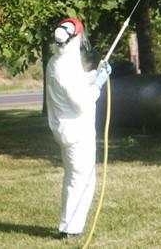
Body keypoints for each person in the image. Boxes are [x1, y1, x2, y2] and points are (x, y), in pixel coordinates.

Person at [46, 17, 111, 239]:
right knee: (79, 180)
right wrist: (99, 84)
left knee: (77, 177)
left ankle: (72, 226)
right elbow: (83, 102)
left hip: (66, 131)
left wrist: (95, 73)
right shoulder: (64, 69)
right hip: (76, 132)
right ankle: (69, 229)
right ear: (73, 40)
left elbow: (77, 80)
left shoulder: (57, 62)